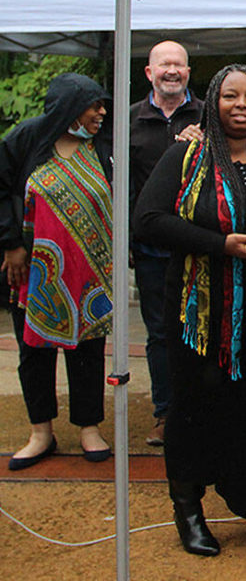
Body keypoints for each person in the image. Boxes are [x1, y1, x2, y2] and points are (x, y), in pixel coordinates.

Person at [134, 64, 246, 557]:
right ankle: (189, 510)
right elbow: (148, 220)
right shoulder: (186, 156)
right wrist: (219, 244)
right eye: (231, 96)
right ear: (212, 102)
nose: (241, 106)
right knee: (192, 413)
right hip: (197, 317)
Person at [1, 73, 114, 470]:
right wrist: (11, 244)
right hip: (31, 268)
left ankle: (89, 427)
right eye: (94, 105)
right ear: (70, 107)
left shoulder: (103, 143)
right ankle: (41, 432)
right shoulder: (29, 137)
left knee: (88, 349)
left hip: (90, 271)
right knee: (33, 351)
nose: (102, 112)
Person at [130, 40, 204, 447]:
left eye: (179, 64)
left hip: (201, 244)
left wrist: (201, 143)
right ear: (149, 72)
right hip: (152, 252)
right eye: (164, 65)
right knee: (159, 334)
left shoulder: (209, 115)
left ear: (188, 72)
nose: (172, 71)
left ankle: (203, 413)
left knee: (202, 327)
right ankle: (166, 413)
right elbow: (122, 185)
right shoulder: (129, 121)